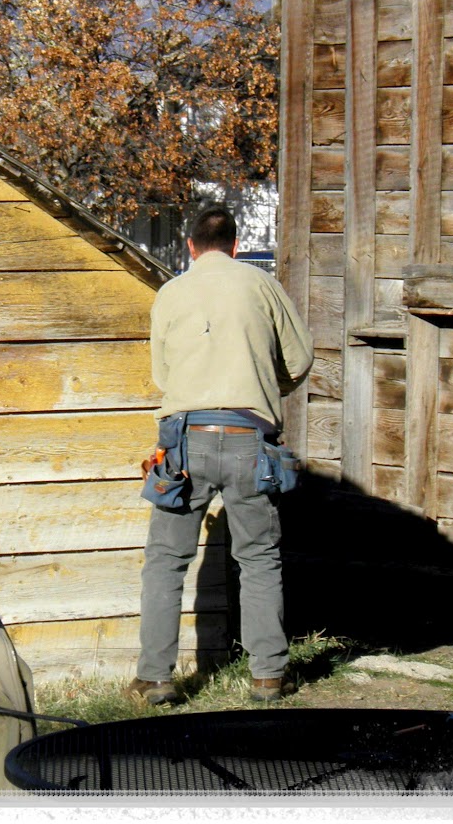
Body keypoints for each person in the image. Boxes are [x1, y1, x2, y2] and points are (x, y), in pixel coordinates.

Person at [128, 204, 314, 707]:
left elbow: (164, 377)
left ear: (191, 247)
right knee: (258, 558)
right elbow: (299, 361)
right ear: (235, 245)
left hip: (184, 440)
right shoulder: (263, 286)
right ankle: (268, 677)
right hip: (250, 437)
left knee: (166, 562)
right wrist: (260, 387)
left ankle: (156, 678)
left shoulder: (170, 293)